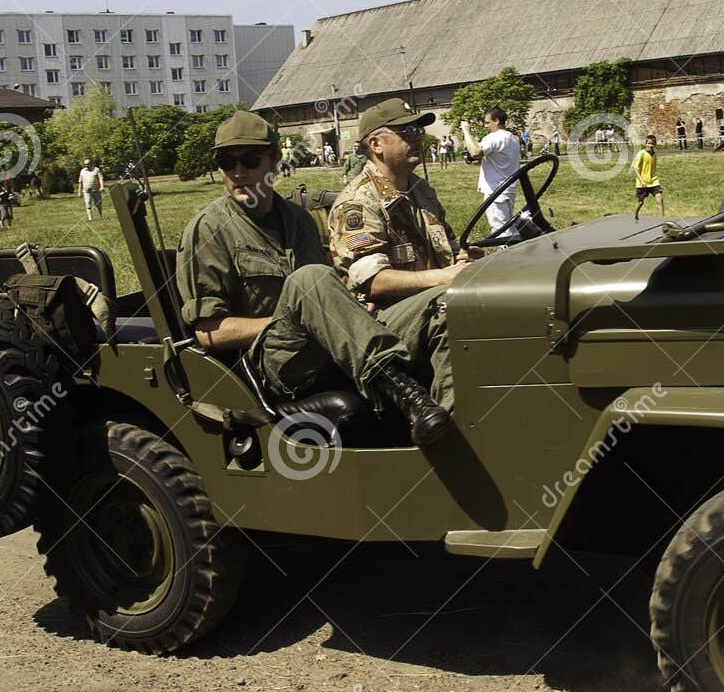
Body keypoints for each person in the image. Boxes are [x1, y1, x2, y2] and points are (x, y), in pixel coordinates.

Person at [176, 109, 451, 445]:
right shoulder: (208, 230)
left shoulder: (299, 220)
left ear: (275, 161)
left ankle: (456, 433)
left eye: (249, 160)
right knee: (310, 281)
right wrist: (309, 318)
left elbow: (336, 288)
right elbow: (207, 332)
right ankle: (402, 393)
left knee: (443, 302)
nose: (237, 173)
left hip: (335, 343)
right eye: (225, 163)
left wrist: (342, 310)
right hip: (277, 360)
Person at [328, 99, 477, 412]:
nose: (417, 136)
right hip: (378, 323)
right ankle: (454, 429)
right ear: (376, 144)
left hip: (420, 304)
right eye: (407, 130)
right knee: (448, 307)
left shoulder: (420, 190)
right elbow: (371, 282)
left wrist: (460, 257)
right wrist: (445, 277)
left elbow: (443, 248)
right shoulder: (357, 203)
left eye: (419, 129)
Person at [461, 106, 522, 241]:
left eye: (488, 122)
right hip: (508, 188)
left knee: (500, 230)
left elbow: (475, 152)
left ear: (497, 121)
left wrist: (466, 131)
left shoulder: (494, 137)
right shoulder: (512, 138)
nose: (485, 125)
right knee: (507, 226)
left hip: (495, 189)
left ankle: (508, 258)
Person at [633, 134, 664, 220]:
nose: (650, 145)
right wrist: (642, 180)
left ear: (655, 144)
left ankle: (661, 221)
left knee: (659, 200)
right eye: (649, 143)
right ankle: (635, 216)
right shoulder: (641, 153)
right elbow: (635, 168)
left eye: (652, 144)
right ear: (645, 144)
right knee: (640, 202)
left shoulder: (654, 154)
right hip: (642, 183)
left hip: (654, 181)